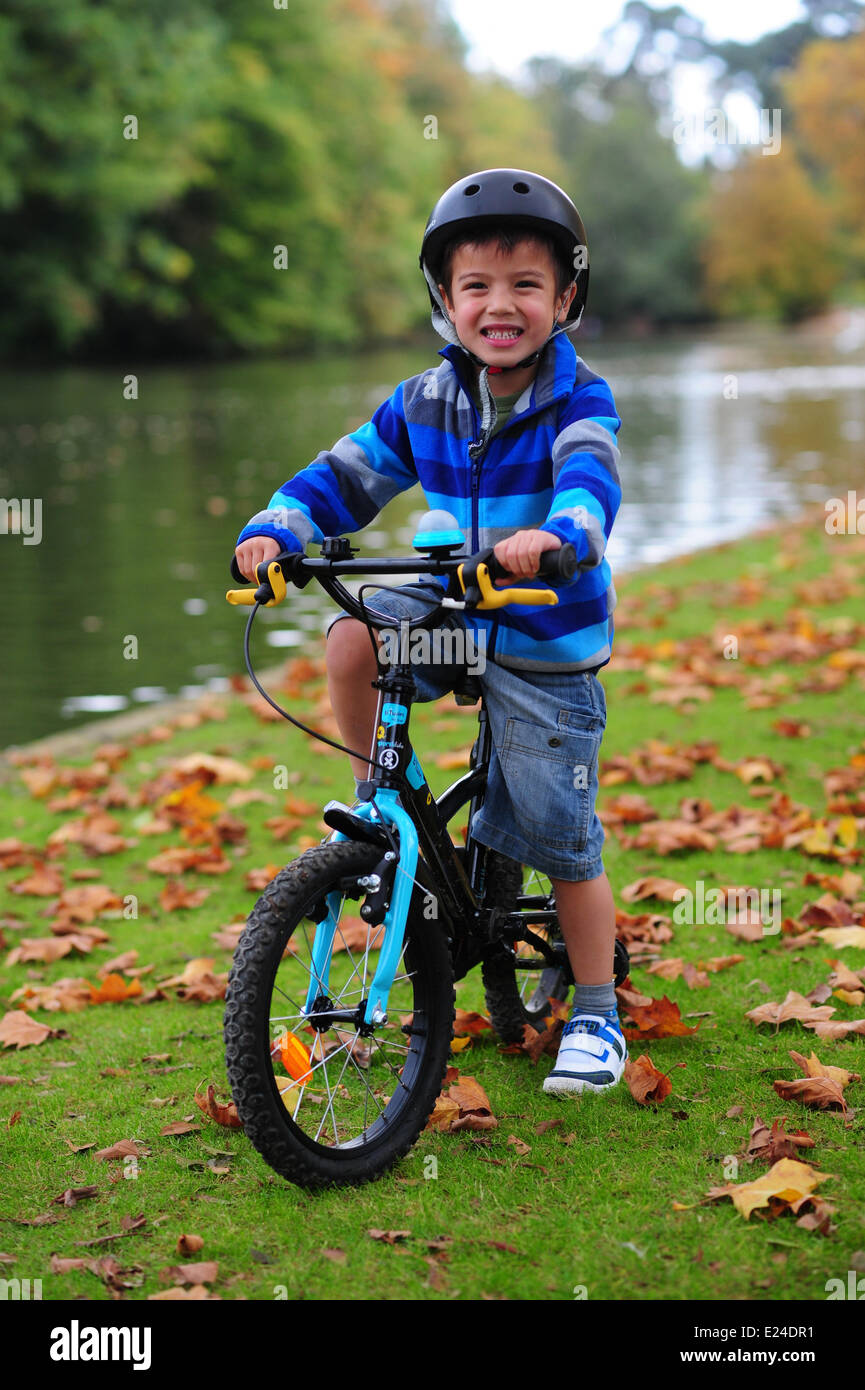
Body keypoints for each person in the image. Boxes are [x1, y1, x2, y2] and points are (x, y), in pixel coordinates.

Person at [234, 168, 624, 1096]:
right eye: (476, 287)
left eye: (525, 285)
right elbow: (344, 475)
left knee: (560, 835)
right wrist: (279, 526)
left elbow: (590, 483)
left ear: (565, 298)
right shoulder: (424, 402)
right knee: (352, 634)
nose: (500, 306)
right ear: (445, 301)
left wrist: (561, 538)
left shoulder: (579, 399)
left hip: (538, 631)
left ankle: (598, 1012)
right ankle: (375, 801)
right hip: (451, 613)